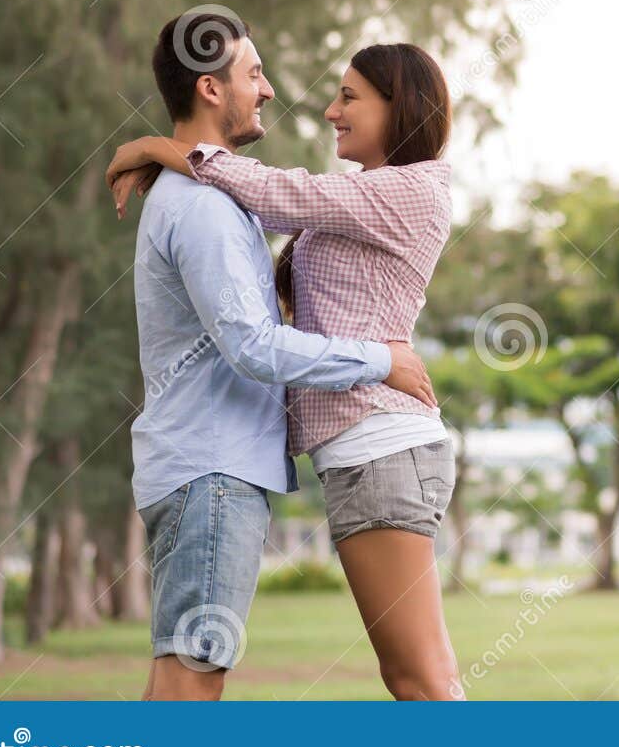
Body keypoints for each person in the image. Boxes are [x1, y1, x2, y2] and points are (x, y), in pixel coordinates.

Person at [109, 39, 462, 700]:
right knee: (412, 676)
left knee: (422, 678)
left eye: (350, 97)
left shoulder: (410, 190)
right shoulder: (359, 198)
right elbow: (271, 227)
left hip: (383, 443)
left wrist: (155, 149)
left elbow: (274, 192)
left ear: (400, 105)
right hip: (355, 452)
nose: (331, 111)